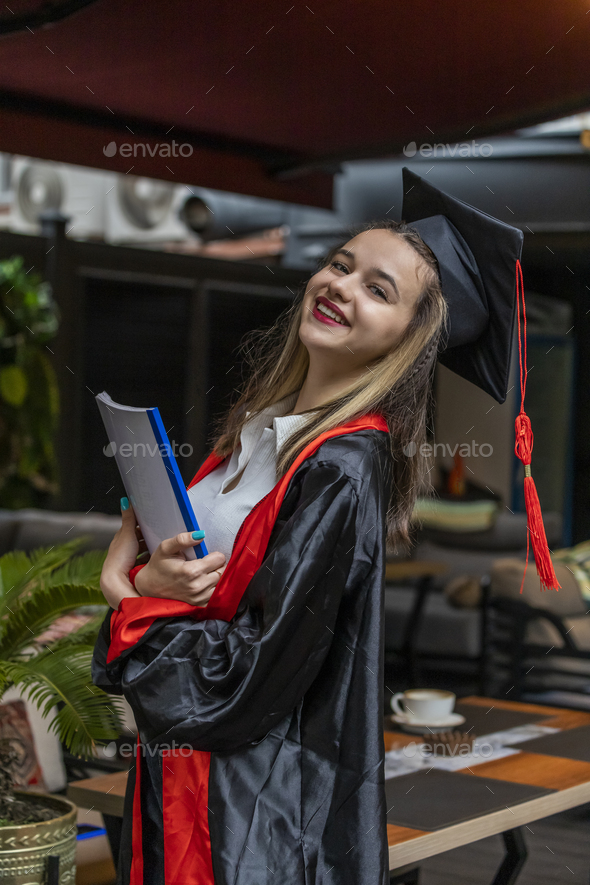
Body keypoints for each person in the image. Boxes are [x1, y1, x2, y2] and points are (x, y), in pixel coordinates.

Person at [92, 168, 527, 885]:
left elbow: (247, 678)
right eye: (340, 265)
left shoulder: (344, 467)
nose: (341, 286)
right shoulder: (264, 430)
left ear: (409, 343)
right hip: (188, 782)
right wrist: (140, 561)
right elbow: (201, 587)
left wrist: (126, 595)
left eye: (378, 290)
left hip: (250, 816)